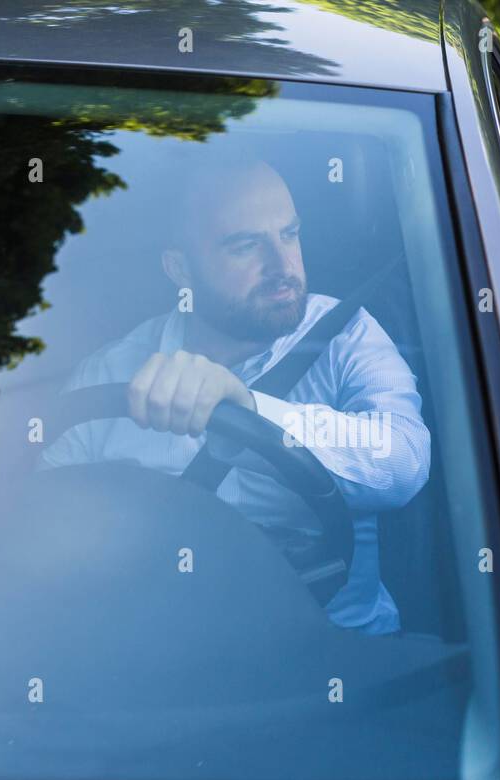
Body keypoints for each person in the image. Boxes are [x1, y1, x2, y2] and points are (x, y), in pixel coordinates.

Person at [43, 156, 429, 634]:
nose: (282, 265)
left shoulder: (345, 335)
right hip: (150, 658)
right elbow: (40, 521)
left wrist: (250, 411)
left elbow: (405, 463)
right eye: (246, 246)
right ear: (180, 268)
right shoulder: (114, 372)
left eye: (290, 234)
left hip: (338, 660)